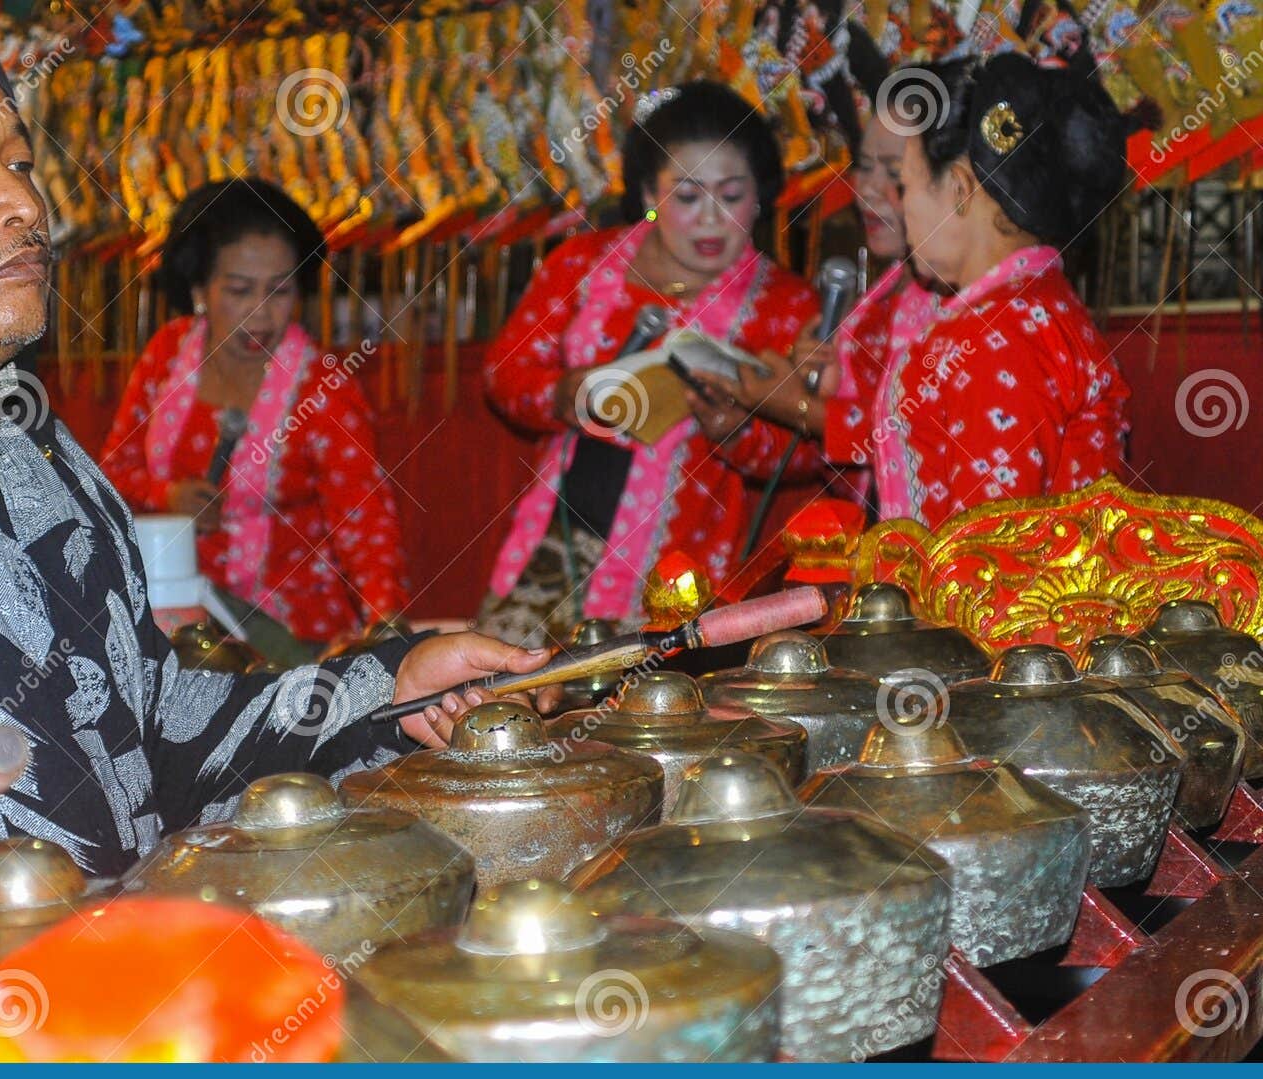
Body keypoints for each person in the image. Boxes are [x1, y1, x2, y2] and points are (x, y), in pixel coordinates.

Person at [0, 5, 544, 976]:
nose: (24, 205)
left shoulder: (28, 438)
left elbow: (151, 727)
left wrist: (383, 685)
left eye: (20, 162)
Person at [478, 82, 822, 645]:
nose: (710, 220)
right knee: (508, 705)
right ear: (648, 194)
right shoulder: (585, 263)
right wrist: (564, 394)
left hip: (679, 561)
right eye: (687, 197)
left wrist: (735, 433)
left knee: (650, 715)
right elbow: (505, 371)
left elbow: (813, 444)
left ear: (760, 197)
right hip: (554, 542)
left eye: (732, 196)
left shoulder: (786, 306)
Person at [726, 55, 1130, 527]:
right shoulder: (1030, 307)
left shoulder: (995, 336)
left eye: (905, 183)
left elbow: (986, 558)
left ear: (958, 189)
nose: (899, 205)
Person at [102, 180, 408, 643]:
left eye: (280, 292)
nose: (261, 315)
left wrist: (386, 629)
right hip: (176, 618)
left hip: (291, 636)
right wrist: (165, 496)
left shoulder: (325, 388)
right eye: (240, 291)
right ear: (200, 288)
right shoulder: (168, 353)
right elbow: (111, 472)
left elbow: (364, 523)